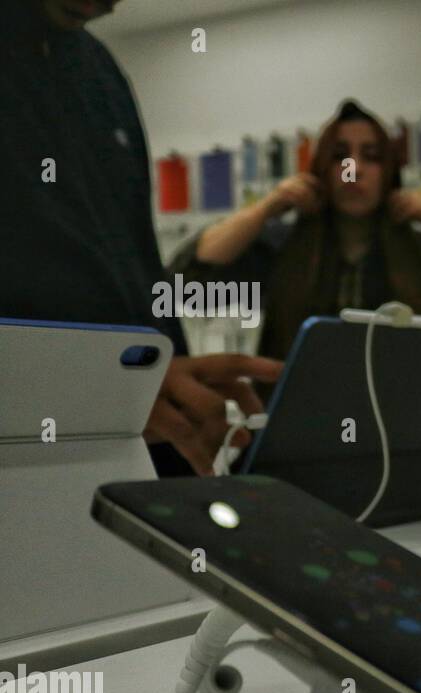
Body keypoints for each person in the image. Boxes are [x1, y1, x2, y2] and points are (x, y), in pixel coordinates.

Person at [0, 0, 283, 477]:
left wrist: (170, 381)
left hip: (116, 460)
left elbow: (136, 258)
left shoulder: (98, 71)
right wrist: (93, 390)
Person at [172, 99, 421, 451]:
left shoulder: (419, 253)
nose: (353, 169)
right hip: (299, 441)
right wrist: (267, 207)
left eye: (371, 157)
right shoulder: (282, 248)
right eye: (339, 155)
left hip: (408, 440)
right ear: (320, 170)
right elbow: (183, 286)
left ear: (389, 171)